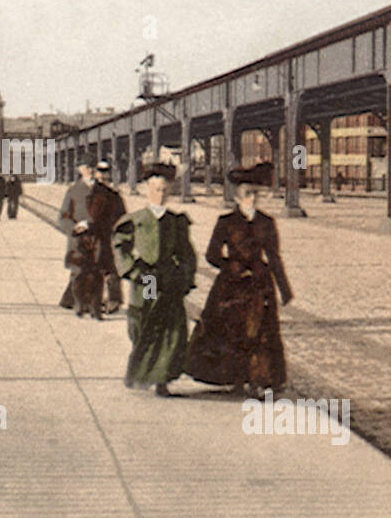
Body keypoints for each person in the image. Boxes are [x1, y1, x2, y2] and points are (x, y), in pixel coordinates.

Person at [184, 162, 293, 396]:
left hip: (259, 284)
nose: (252, 198)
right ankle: (234, 379)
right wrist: (231, 267)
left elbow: (274, 257)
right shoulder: (226, 222)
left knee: (261, 332)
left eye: (255, 193)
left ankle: (258, 380)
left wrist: (284, 290)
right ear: (236, 197)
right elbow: (212, 254)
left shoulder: (267, 222)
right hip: (231, 286)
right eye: (247, 194)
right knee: (231, 331)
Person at [112, 163, 196, 396]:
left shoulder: (176, 221)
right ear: (147, 189)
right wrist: (132, 271)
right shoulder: (136, 219)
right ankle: (143, 372)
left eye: (164, 190)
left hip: (168, 279)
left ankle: (162, 379)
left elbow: (187, 253)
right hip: (147, 279)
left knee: (170, 327)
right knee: (145, 320)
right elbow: (119, 246)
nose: (160, 194)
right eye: (156, 189)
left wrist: (185, 277)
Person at [57, 152, 97, 309]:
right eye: (86, 167)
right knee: (79, 270)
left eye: (92, 167)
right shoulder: (73, 190)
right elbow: (63, 216)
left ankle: (80, 300)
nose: (90, 170)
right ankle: (74, 300)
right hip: (79, 237)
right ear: (80, 169)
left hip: (96, 237)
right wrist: (74, 228)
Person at [87, 159, 126, 314]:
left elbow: (121, 214)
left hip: (109, 235)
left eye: (105, 172)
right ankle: (97, 299)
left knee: (110, 268)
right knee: (99, 268)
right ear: (95, 173)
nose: (103, 175)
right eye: (100, 172)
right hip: (96, 235)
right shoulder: (93, 192)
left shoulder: (112, 194)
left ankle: (113, 300)